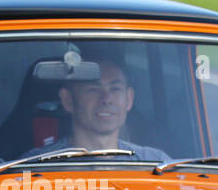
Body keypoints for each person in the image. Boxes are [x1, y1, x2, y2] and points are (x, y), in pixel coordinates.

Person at [25, 53, 167, 162]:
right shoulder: (36, 166)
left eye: (115, 88)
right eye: (93, 89)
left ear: (129, 99)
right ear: (68, 100)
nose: (106, 99)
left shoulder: (156, 163)